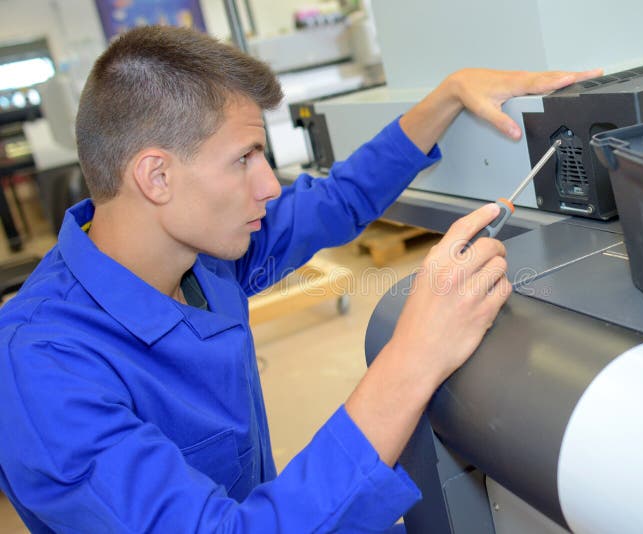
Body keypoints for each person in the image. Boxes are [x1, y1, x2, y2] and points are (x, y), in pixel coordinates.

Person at [0, 26, 599, 532]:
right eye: (243, 158)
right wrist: (413, 354)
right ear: (156, 176)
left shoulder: (203, 258)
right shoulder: (42, 372)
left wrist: (446, 98)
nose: (268, 185)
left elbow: (336, 201)